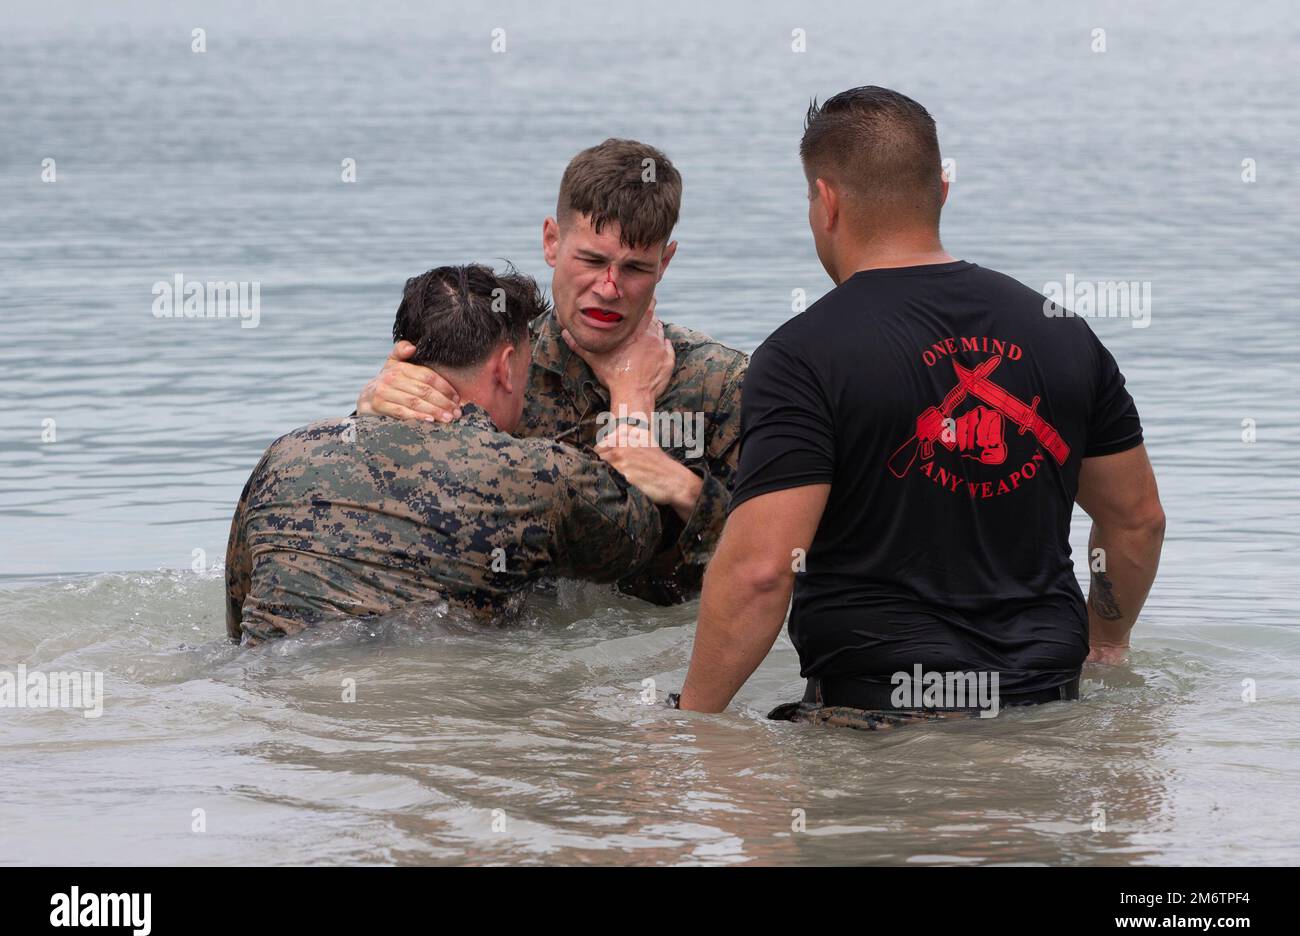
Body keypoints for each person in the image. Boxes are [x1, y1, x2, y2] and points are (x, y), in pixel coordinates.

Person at [676, 86, 1166, 723]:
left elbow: (762, 571)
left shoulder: (802, 355)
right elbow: (1138, 521)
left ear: (825, 202)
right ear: (941, 189)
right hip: (1046, 715)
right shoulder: (1064, 333)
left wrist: (687, 725)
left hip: (875, 730)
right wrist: (1106, 645)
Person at [355, 139, 749, 605]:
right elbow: (386, 515)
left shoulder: (720, 384)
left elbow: (782, 554)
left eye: (636, 268)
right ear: (551, 241)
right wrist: (370, 418)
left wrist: (685, 490)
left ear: (665, 262)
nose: (609, 288)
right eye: (592, 260)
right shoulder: (489, 362)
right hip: (504, 643)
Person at [225, 264, 668, 645]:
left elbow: (238, 617)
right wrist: (633, 396)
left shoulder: (285, 455)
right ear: (505, 366)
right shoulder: (535, 474)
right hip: (427, 707)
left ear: (404, 356)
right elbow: (639, 539)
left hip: (275, 698)